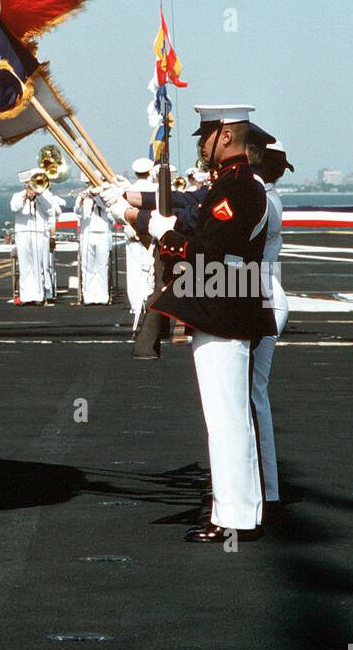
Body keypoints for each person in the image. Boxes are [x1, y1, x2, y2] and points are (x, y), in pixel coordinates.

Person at [145, 106, 276, 543]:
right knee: (231, 418)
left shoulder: (235, 187)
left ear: (223, 136)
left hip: (223, 306)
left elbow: (207, 254)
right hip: (231, 304)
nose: (200, 144)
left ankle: (235, 517)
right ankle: (240, 511)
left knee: (224, 421)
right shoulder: (238, 184)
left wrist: (163, 234)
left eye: (205, 135)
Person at [248, 130, 293, 513]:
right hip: (260, 295)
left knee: (252, 397)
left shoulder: (262, 199)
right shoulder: (268, 196)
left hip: (263, 300)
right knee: (250, 396)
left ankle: (266, 489)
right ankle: (262, 487)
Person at [10, 171, 63, 305]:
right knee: (25, 265)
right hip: (23, 231)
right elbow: (15, 207)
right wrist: (25, 196)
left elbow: (50, 211)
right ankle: (26, 296)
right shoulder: (17, 195)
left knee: (38, 265)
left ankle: (39, 295)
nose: (30, 187)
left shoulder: (44, 196)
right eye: (28, 184)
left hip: (39, 231)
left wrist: (39, 196)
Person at [123, 157, 156, 331]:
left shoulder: (129, 190)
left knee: (134, 271)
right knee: (151, 270)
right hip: (150, 234)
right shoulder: (155, 189)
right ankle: (148, 301)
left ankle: (136, 304)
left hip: (132, 233)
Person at [76, 187, 112, 305]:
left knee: (102, 265)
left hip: (102, 232)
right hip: (87, 233)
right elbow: (77, 211)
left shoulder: (105, 196)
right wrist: (81, 200)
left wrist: (96, 196)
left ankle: (102, 296)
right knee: (87, 266)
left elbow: (108, 210)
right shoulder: (84, 195)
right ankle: (89, 296)